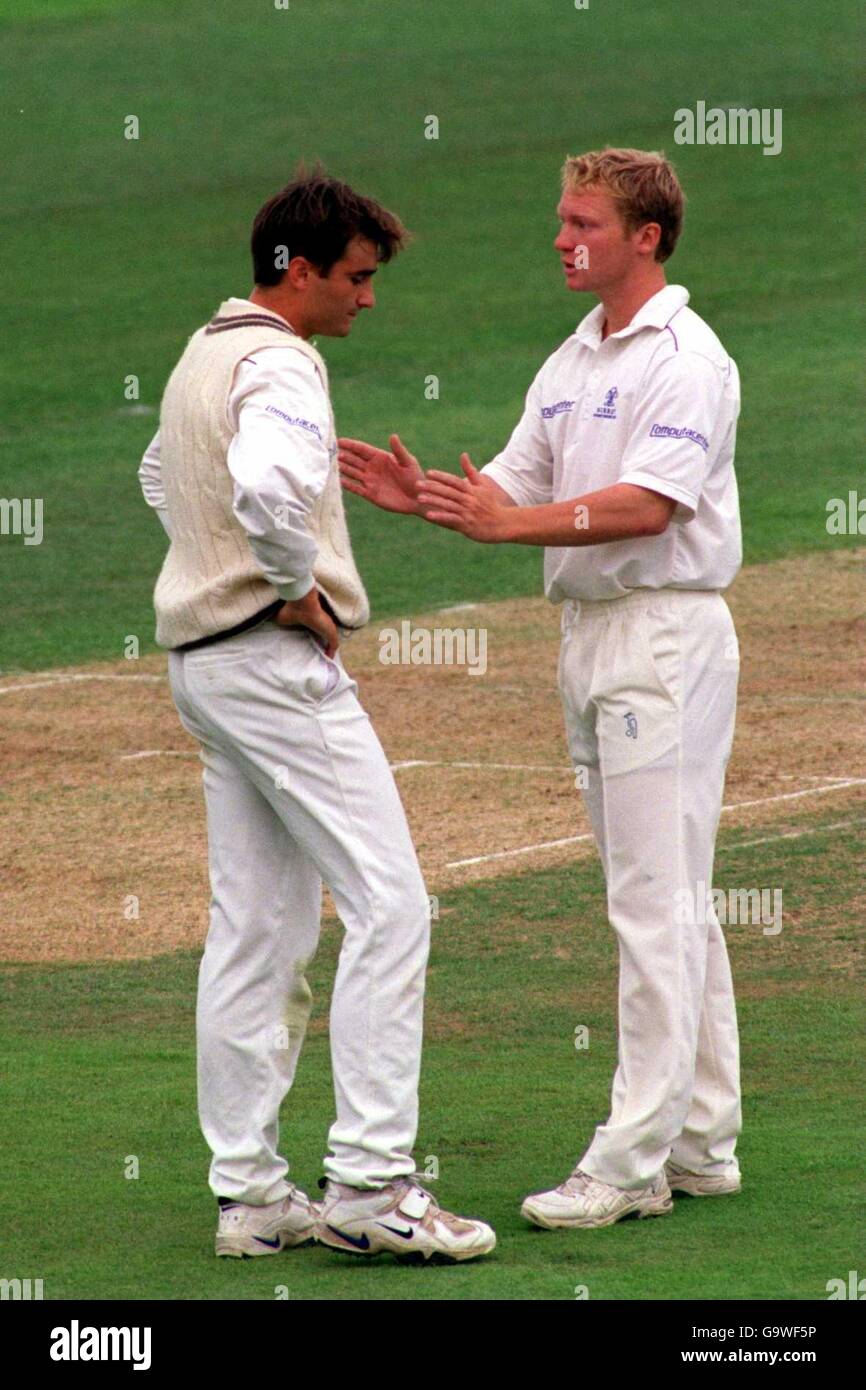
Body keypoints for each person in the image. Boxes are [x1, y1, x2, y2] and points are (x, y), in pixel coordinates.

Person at [339, 147, 743, 1230]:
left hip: (662, 636)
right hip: (591, 637)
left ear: (644, 237)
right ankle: (700, 1138)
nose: (562, 240)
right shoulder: (573, 358)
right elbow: (508, 487)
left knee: (651, 903)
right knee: (667, 896)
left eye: (583, 224)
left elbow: (645, 507)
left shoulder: (686, 357)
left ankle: (628, 1163)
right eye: (560, 222)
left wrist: (507, 523)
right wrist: (419, 496)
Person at [138, 168, 495, 1262]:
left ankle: (249, 1195)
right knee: (392, 904)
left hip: (203, 664)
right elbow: (262, 489)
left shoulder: (207, 349)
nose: (366, 298)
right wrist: (292, 584)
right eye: (355, 277)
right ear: (296, 270)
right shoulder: (280, 361)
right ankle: (372, 1183)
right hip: (272, 660)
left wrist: (219, 563)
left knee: (259, 929)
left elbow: (162, 475)